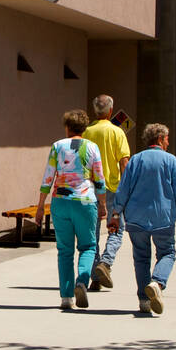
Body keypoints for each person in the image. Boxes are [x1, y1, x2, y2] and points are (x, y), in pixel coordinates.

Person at [109, 123, 176, 316]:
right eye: (167, 138)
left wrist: (116, 214)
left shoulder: (135, 160)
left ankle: (144, 301)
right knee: (167, 253)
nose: (168, 142)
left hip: (136, 218)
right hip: (163, 217)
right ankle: (157, 282)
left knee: (141, 258)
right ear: (160, 139)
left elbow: (123, 188)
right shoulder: (171, 161)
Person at [35, 110, 107, 310]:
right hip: (85, 201)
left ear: (67, 127)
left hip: (60, 201)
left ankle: (66, 297)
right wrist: (103, 204)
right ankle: (82, 282)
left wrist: (41, 206)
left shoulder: (57, 146)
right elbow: (99, 179)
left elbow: (48, 177)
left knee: (64, 251)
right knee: (88, 247)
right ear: (84, 128)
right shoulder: (92, 147)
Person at [82, 94, 131, 292]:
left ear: (95, 110)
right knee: (116, 229)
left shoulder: (86, 132)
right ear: (110, 111)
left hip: (89, 188)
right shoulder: (117, 132)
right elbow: (124, 163)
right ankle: (106, 263)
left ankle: (95, 276)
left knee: (91, 234)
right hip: (112, 188)